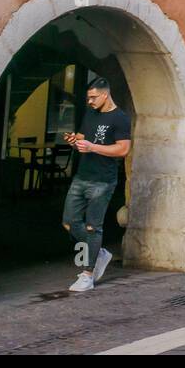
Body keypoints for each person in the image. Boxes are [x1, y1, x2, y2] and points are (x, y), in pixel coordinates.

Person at [61, 77, 132, 292]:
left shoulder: (120, 118)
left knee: (93, 227)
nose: (90, 101)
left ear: (105, 94)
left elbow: (122, 150)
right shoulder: (90, 113)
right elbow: (83, 139)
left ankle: (87, 275)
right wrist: (75, 141)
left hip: (103, 180)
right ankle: (98, 251)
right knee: (69, 222)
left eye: (93, 97)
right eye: (88, 97)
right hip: (82, 176)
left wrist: (93, 147)